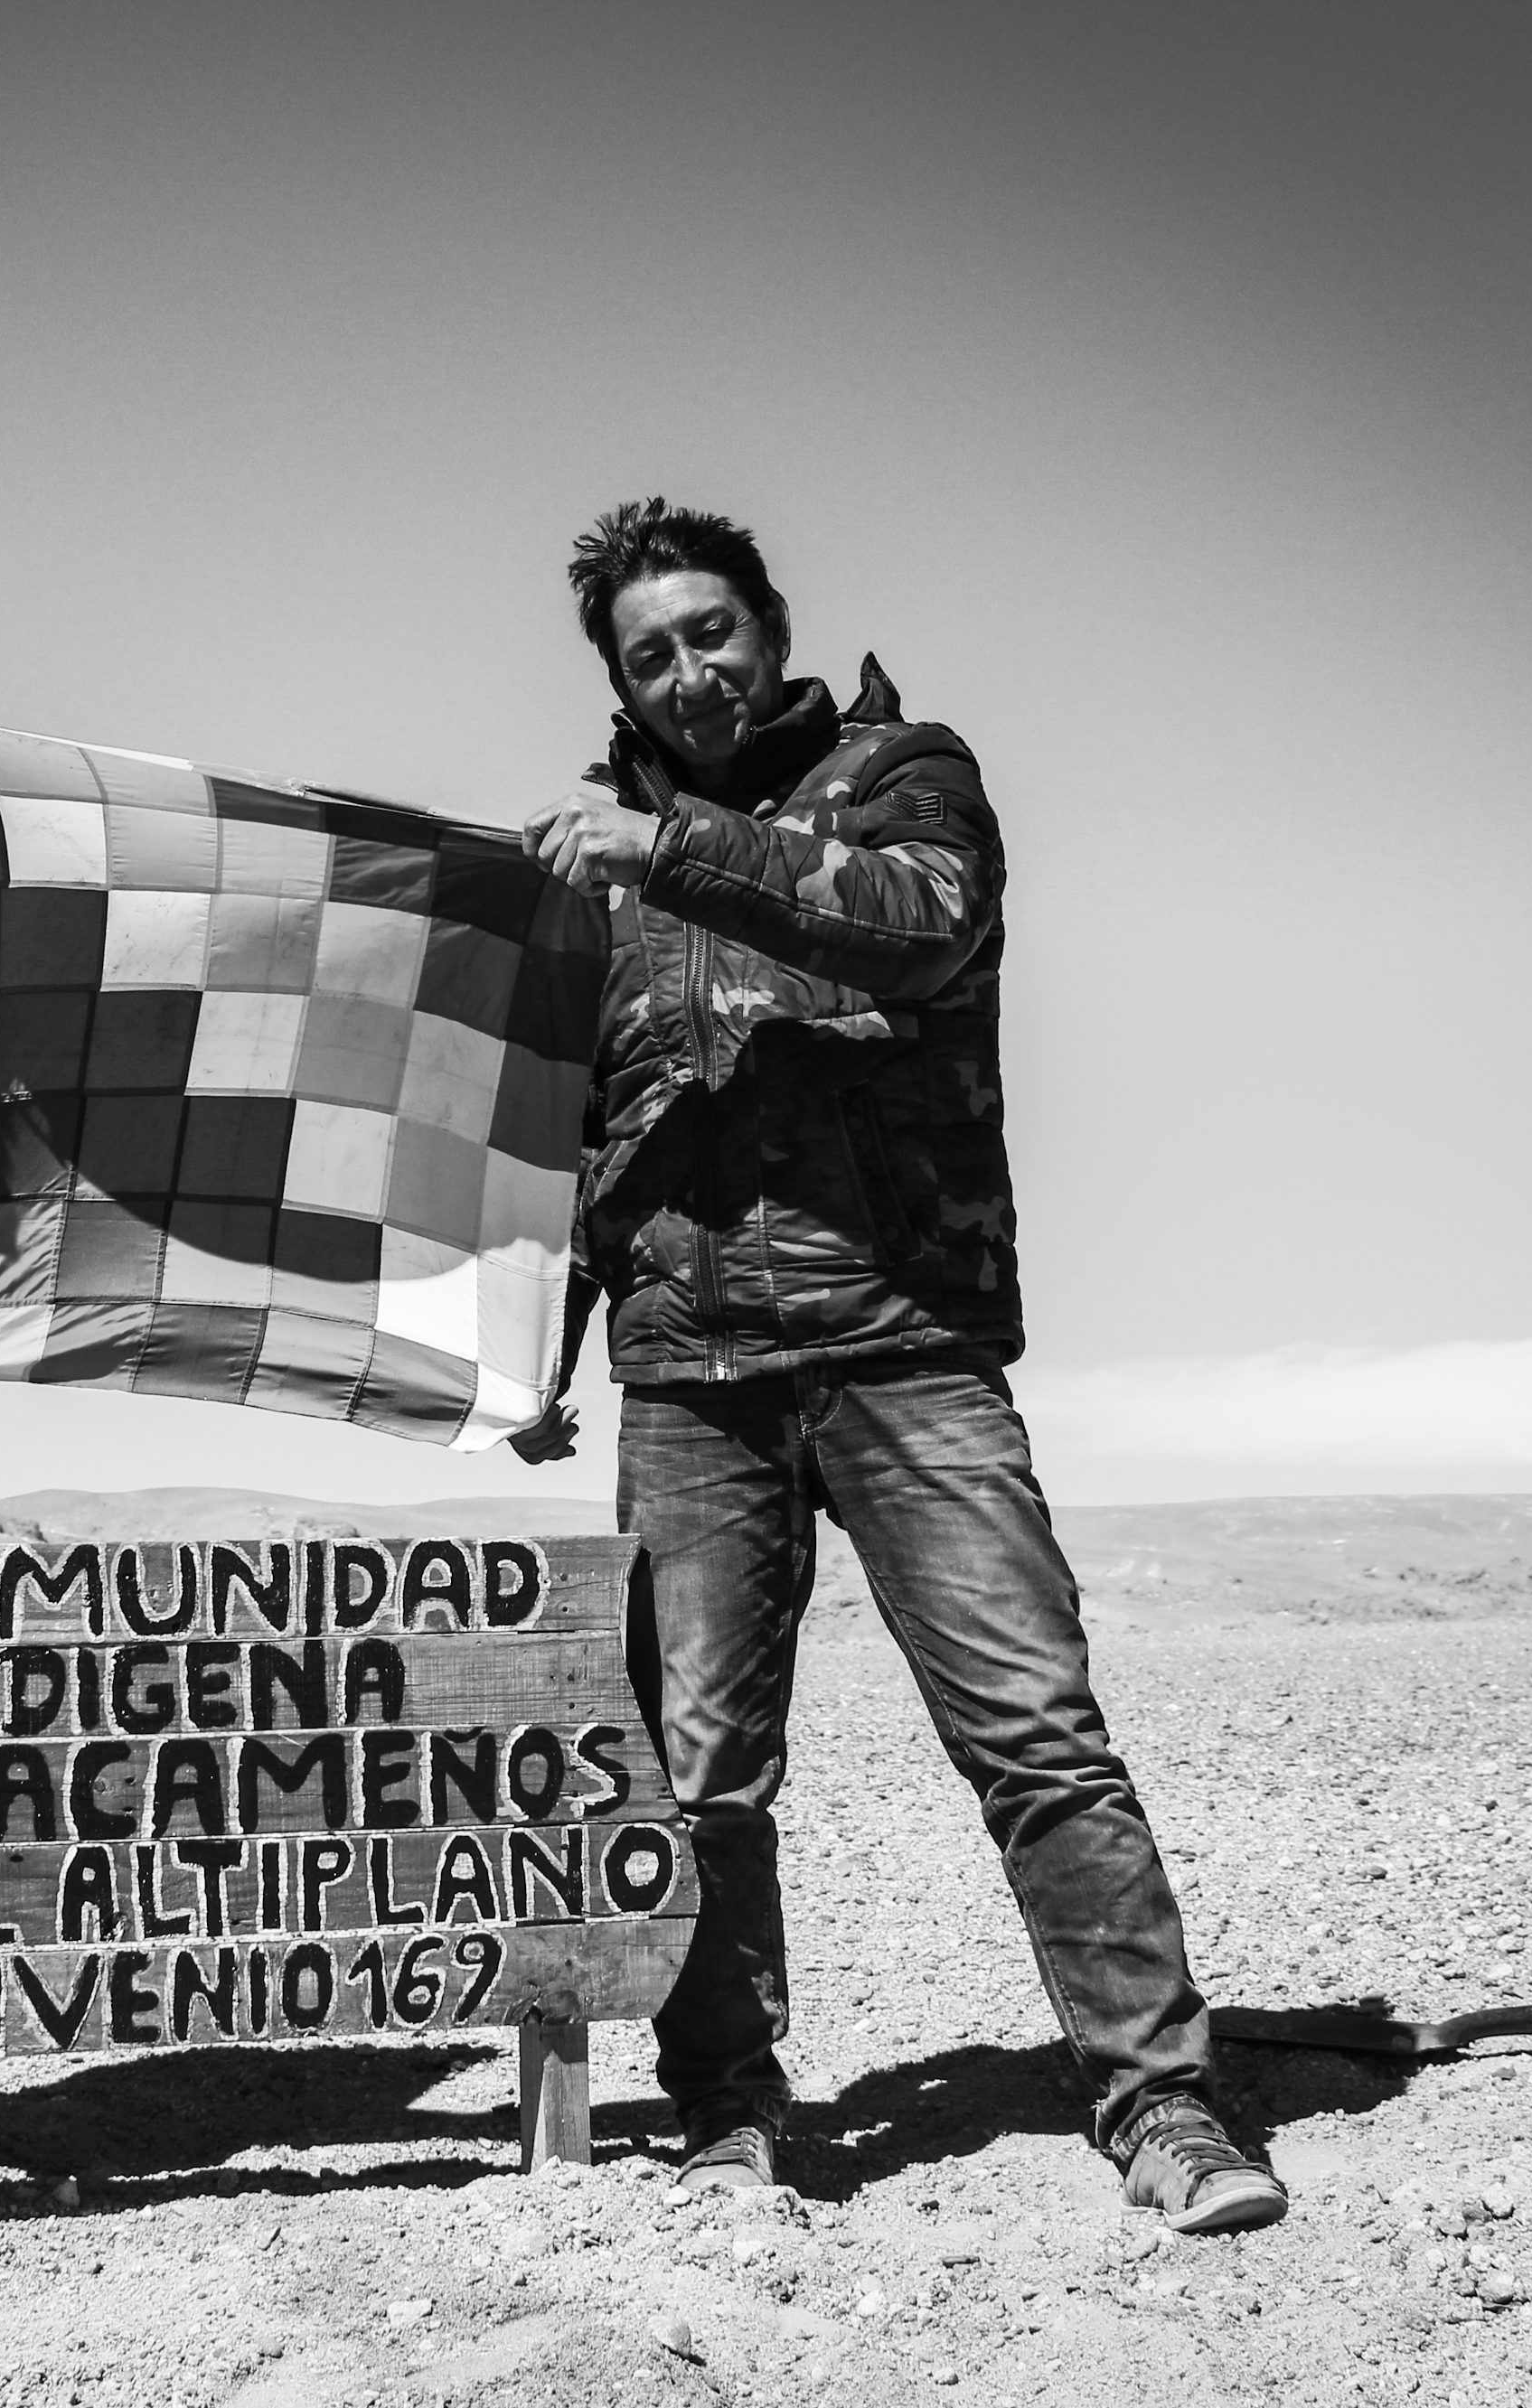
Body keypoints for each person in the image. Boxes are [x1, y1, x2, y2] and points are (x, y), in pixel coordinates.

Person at [514, 498, 1286, 2233]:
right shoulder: (599, 876)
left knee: (1032, 1731)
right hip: (692, 1371)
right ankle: (726, 2111)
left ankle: (1162, 2102)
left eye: (711, 631)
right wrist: (543, 1342)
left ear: (770, 627)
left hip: (903, 1339)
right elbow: (581, 1127)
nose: (691, 670)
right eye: (652, 655)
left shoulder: (902, 779)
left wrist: (677, 852)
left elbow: (923, 923)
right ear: (621, 688)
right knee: (697, 1768)